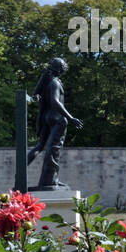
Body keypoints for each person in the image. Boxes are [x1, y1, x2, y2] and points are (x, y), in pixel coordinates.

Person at [27, 57, 83, 189]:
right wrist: (70, 118)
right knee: (54, 150)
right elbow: (55, 101)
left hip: (47, 118)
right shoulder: (55, 83)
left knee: (41, 146)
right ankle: (50, 181)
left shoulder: (47, 82)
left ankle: (44, 177)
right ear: (60, 70)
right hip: (58, 120)